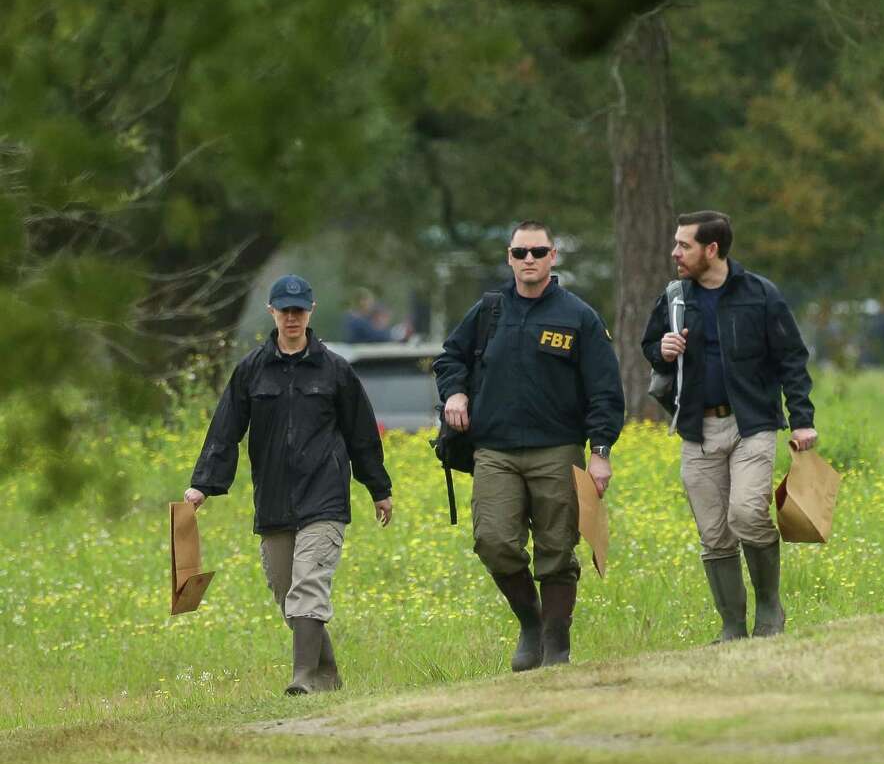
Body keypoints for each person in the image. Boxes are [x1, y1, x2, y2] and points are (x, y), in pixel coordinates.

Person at [184, 275, 393, 695]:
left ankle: (303, 678)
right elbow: (225, 431)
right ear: (272, 313)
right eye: (285, 310)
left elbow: (361, 435)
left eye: (299, 310)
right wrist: (202, 486)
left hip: (325, 495)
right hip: (274, 498)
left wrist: (379, 488)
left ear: (310, 311)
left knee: (308, 586)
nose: (292, 317)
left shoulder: (335, 370)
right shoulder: (251, 370)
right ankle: (327, 675)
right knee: (287, 593)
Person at [433, 220, 624, 671]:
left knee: (557, 548)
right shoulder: (489, 311)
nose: (529, 260)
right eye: (521, 253)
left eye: (538, 252)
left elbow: (605, 391)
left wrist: (600, 454)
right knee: (493, 541)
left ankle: (556, 644)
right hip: (494, 450)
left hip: (556, 449)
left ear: (553, 256)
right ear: (509, 258)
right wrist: (455, 392)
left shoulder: (578, 316)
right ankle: (531, 624)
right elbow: (449, 358)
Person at [641, 210, 817, 642]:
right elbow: (650, 345)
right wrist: (661, 349)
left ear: (712, 249)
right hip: (697, 430)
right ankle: (733, 625)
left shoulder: (760, 294)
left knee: (747, 514)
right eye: (676, 244)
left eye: (684, 245)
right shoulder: (675, 297)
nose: (675, 253)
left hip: (751, 425)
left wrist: (802, 421)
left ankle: (770, 609)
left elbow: (791, 358)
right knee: (714, 534)